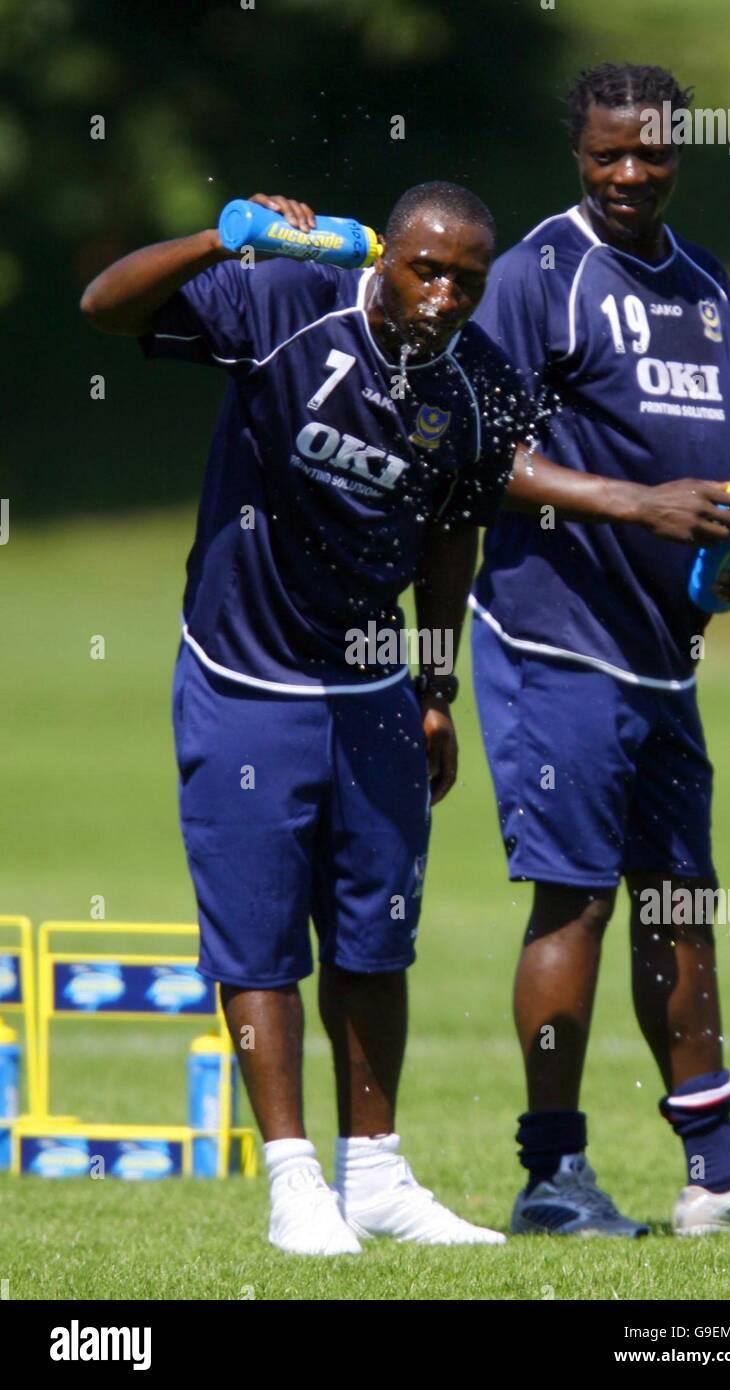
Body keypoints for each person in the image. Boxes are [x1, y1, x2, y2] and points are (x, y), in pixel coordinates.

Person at [81, 181, 535, 1255]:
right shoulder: (284, 300)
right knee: (260, 940)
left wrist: (435, 690)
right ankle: (293, 1186)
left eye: (466, 281)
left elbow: (447, 544)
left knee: (376, 940)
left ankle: (373, 1173)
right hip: (243, 678)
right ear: (384, 259)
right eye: (426, 269)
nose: (443, 295)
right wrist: (216, 235)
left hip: (373, 692)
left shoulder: (479, 384)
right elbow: (106, 306)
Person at [471, 62, 730, 1236]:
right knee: (575, 903)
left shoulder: (709, 286)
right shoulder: (537, 276)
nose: (627, 174)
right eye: (606, 153)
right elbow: (478, 458)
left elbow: (716, 475)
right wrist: (637, 506)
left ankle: (715, 1170)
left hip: (662, 657)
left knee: (679, 902)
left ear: (677, 153)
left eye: (648, 154)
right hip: (554, 641)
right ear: (579, 154)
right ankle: (552, 1176)